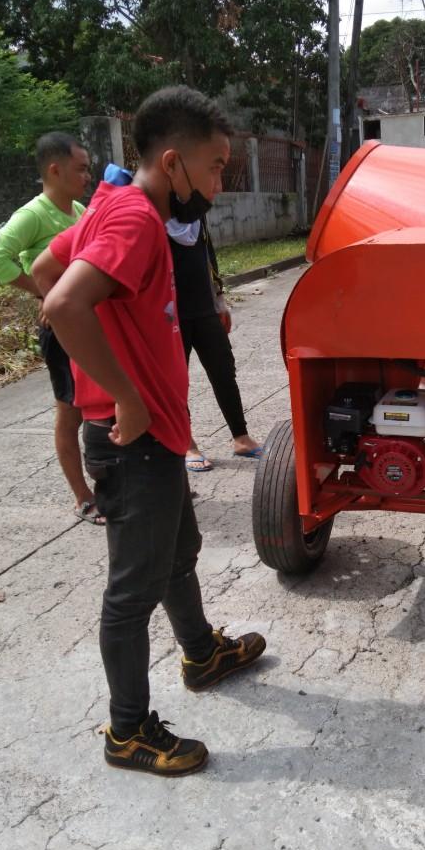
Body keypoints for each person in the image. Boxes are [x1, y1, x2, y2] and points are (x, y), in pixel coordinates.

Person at [34, 87, 266, 776]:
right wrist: (124, 397)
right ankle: (128, 732)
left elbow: (50, 267)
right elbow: (62, 298)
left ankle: (201, 652)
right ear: (173, 162)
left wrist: (113, 362)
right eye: (218, 168)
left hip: (155, 437)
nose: (222, 185)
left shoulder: (114, 207)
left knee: (178, 552)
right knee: (132, 592)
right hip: (131, 442)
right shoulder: (135, 219)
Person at [0, 132, 102, 523]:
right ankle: (83, 497)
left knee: (101, 404)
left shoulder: (79, 211)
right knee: (70, 412)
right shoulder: (34, 213)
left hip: (89, 324)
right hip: (61, 329)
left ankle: (116, 484)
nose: (87, 176)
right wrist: (45, 295)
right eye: (81, 169)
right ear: (55, 169)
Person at [166, 217, 262, 469]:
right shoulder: (154, 210)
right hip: (171, 313)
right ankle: (187, 444)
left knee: (223, 371)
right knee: (177, 381)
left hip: (204, 306)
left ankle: (241, 438)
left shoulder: (194, 213)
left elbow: (208, 254)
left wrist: (219, 298)